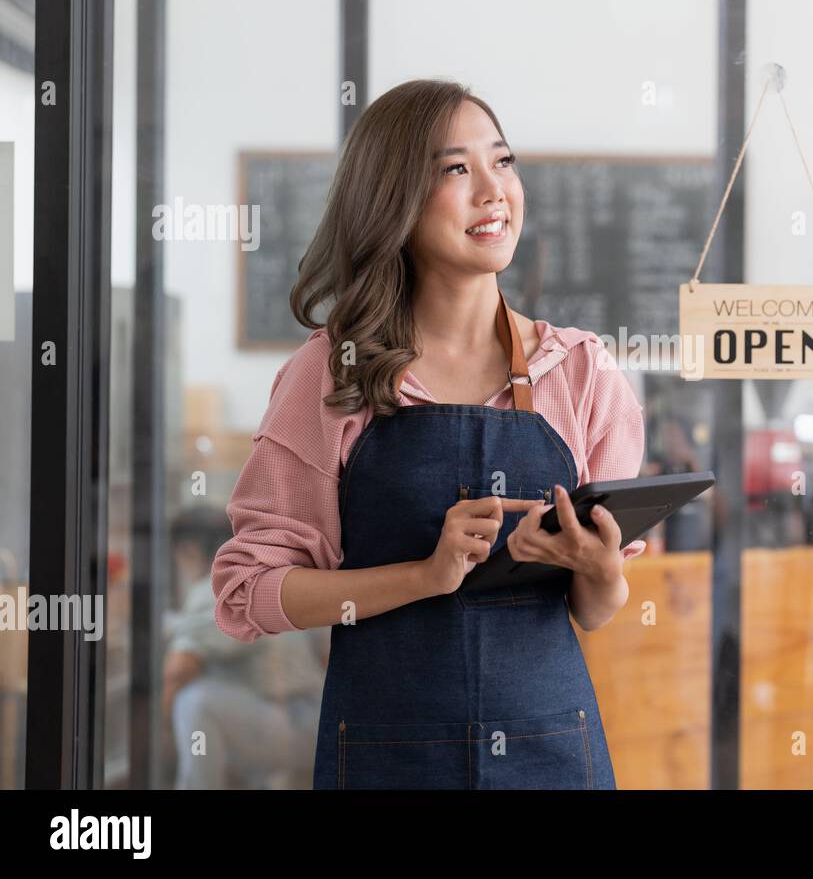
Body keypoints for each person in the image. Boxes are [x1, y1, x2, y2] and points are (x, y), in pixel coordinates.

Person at [211, 79, 646, 790]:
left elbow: (595, 612)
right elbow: (245, 593)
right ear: (395, 201)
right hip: (388, 756)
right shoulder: (331, 373)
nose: (492, 190)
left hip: (550, 752)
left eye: (501, 161)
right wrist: (425, 577)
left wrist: (598, 569)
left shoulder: (581, 373)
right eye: (455, 169)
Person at [164, 505, 325, 789]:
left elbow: (178, 670)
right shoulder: (260, 574)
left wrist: (158, 730)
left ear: (188, 551)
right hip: (310, 719)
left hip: (294, 725)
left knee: (194, 701)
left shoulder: (216, 588)